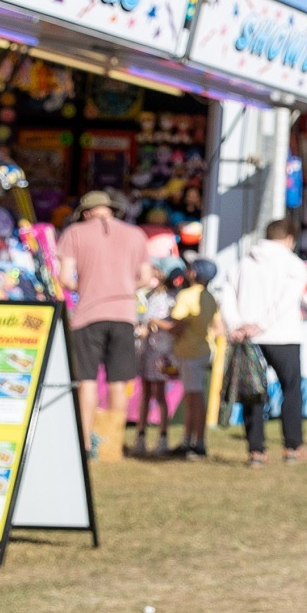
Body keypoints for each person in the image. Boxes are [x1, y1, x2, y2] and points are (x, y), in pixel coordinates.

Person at [56, 191, 157, 462]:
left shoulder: (74, 233)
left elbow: (65, 278)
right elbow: (146, 278)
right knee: (118, 381)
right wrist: (122, 287)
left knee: (86, 380)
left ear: (86, 212)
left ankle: (85, 443)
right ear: (110, 210)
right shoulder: (136, 235)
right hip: (124, 314)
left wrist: (88, 288)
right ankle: (113, 445)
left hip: (88, 315)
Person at [220, 220, 307, 468]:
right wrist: (261, 323)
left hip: (249, 339)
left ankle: (256, 450)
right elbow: (287, 300)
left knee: (253, 393)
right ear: (289, 239)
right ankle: (293, 445)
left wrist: (237, 325)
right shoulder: (293, 264)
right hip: (283, 336)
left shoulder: (241, 263)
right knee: (291, 390)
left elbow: (226, 296)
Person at [169, 257, 222, 461]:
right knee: (194, 397)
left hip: (190, 351)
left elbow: (177, 325)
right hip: (203, 350)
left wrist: (155, 322)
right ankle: (191, 440)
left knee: (194, 398)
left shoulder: (187, 296)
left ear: (193, 273)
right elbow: (218, 328)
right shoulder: (209, 297)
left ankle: (196, 442)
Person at [133, 268, 181, 458]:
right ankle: (141, 436)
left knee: (159, 394)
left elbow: (174, 326)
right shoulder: (150, 295)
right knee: (145, 392)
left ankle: (162, 437)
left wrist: (154, 323)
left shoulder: (171, 298)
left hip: (162, 352)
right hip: (147, 351)